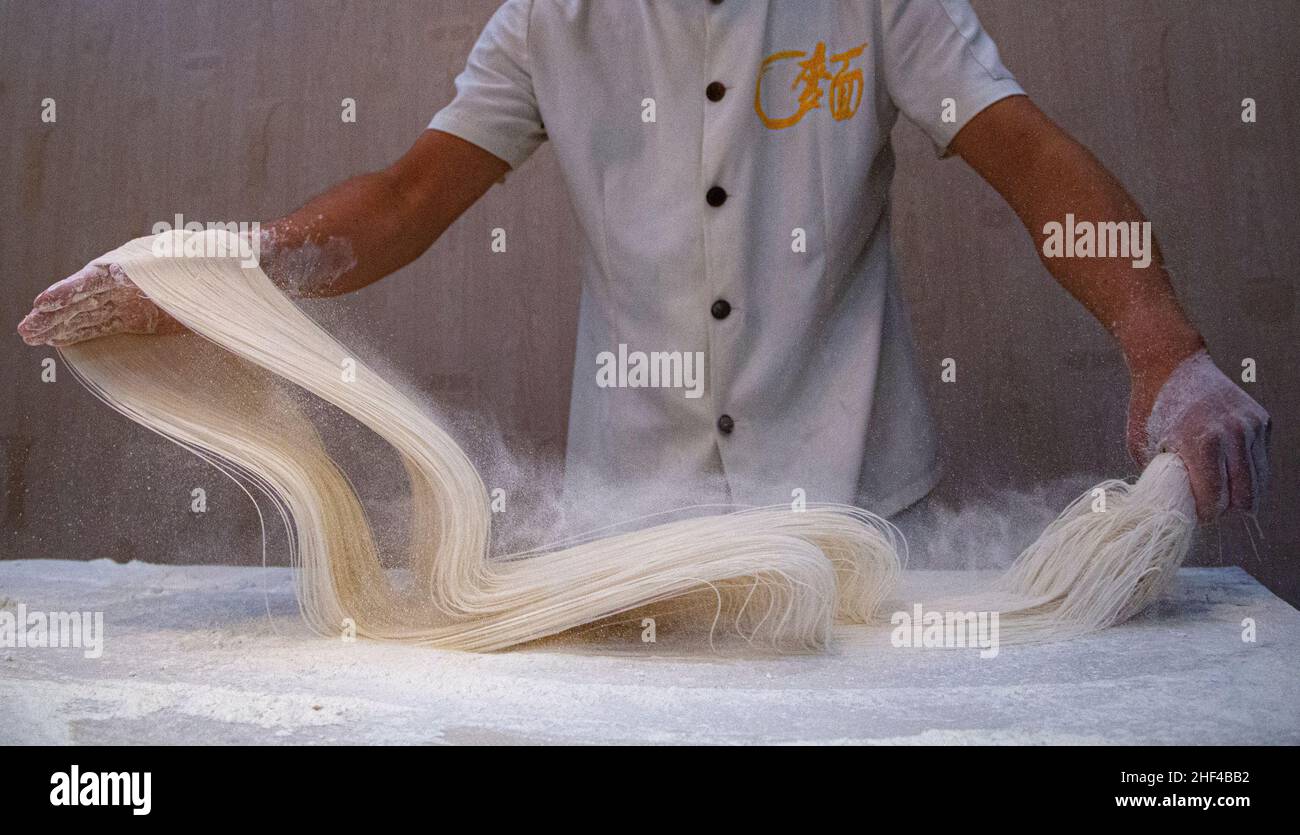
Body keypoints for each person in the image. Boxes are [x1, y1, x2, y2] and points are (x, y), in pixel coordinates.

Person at [18, 0, 1268, 524]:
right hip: (633, 526)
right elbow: (404, 198)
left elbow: (1032, 157)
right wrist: (229, 268)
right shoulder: (550, 18)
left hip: (859, 511)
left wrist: (1167, 351)